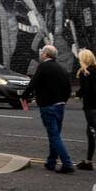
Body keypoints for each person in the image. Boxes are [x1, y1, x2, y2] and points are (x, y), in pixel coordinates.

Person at [26, 44, 74, 173]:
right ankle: (51, 161)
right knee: (55, 134)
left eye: (42, 53)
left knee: (54, 136)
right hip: (60, 106)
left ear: (46, 54)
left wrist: (24, 96)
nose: (40, 54)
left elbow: (33, 84)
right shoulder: (62, 68)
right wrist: (63, 100)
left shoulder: (43, 67)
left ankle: (67, 163)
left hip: (48, 106)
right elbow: (68, 89)